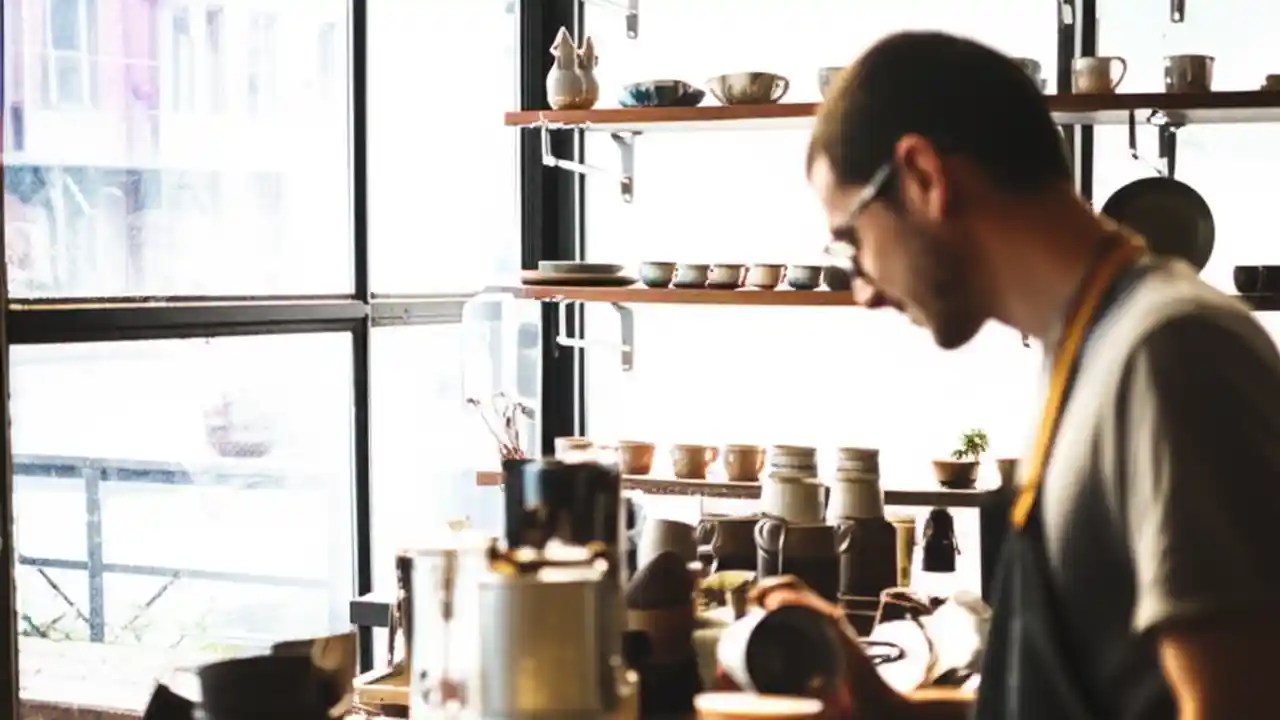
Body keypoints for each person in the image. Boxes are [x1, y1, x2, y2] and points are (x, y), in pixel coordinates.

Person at [793, 31, 1280, 720]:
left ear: (924, 178)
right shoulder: (1088, 348)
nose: (863, 290)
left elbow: (1240, 705)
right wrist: (884, 708)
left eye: (851, 242)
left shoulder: (1171, 353)